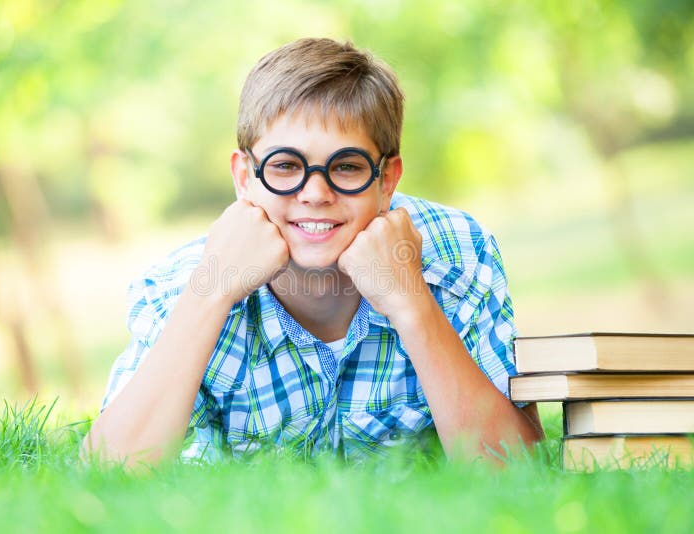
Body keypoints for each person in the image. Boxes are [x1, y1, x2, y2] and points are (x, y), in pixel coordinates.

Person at [83, 37, 543, 467]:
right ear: (245, 177)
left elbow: (517, 470)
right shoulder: (183, 282)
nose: (316, 193)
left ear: (387, 181)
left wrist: (410, 300)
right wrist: (211, 294)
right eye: (286, 165)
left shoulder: (459, 254)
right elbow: (109, 472)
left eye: (346, 166)